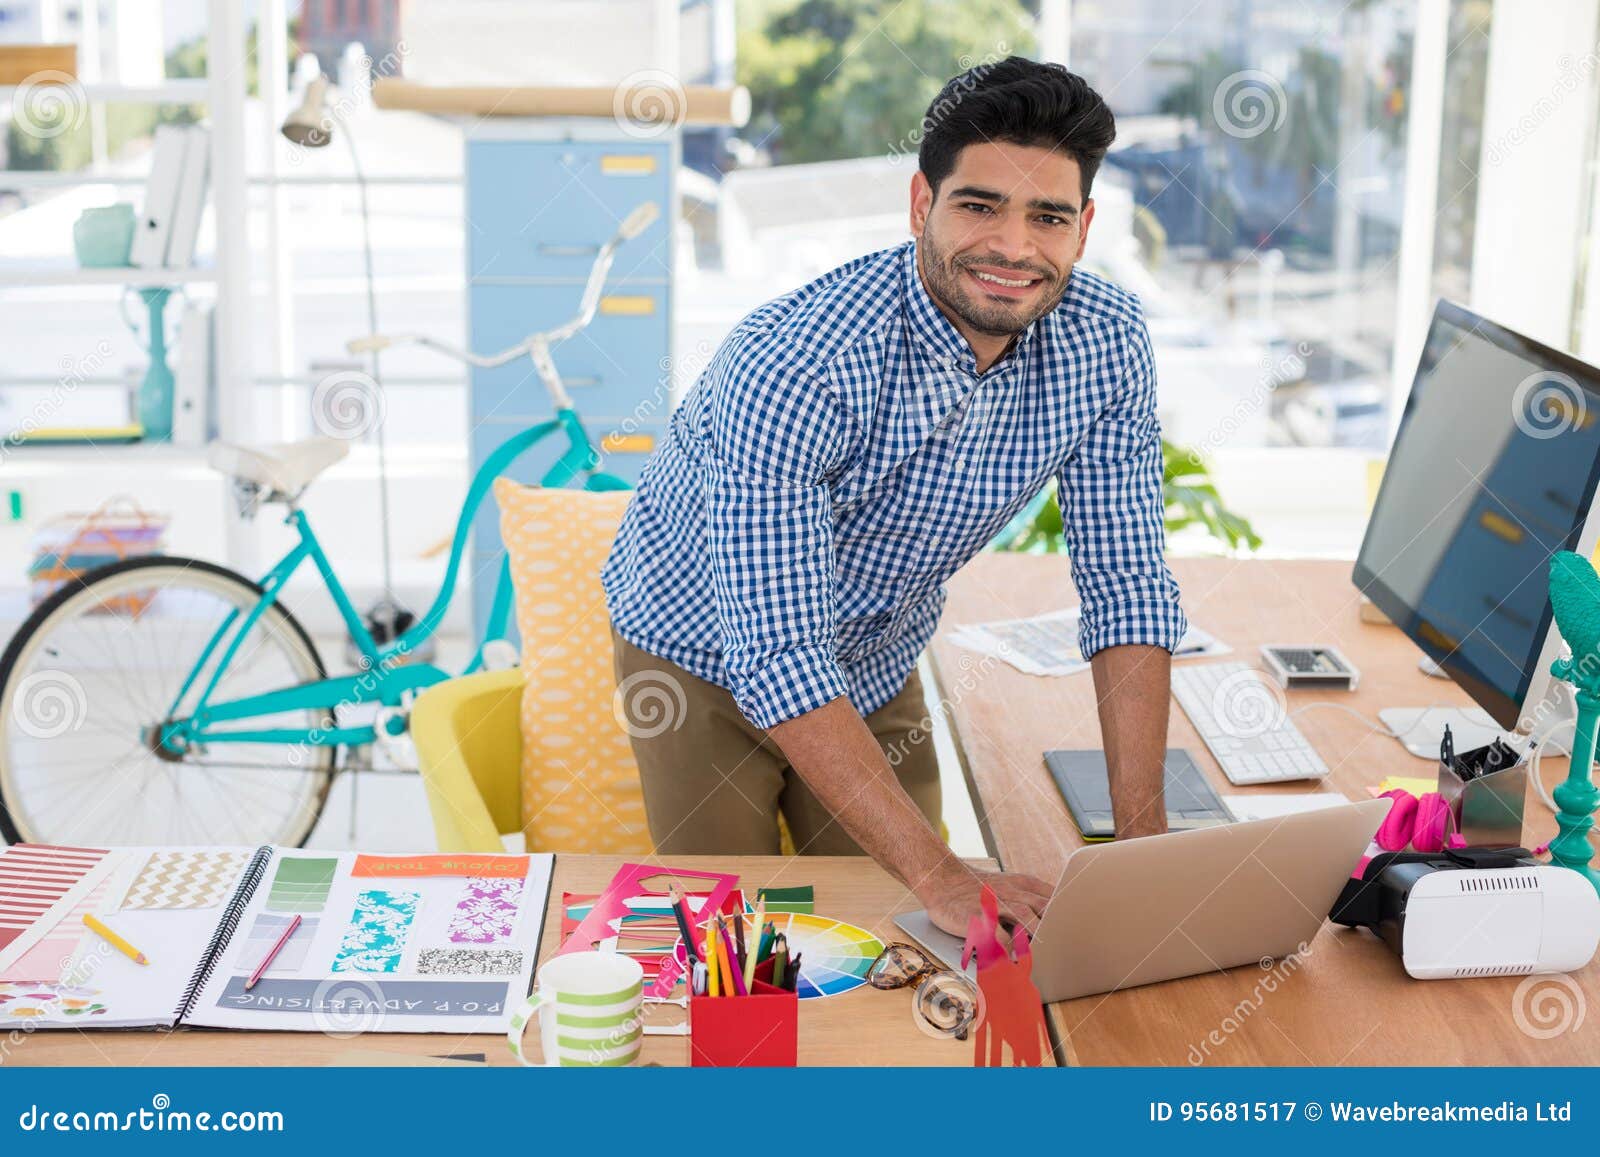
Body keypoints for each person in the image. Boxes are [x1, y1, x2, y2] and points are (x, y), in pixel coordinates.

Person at [602, 57, 1187, 937]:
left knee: (901, 940)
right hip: (702, 655)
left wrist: (1144, 849)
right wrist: (945, 876)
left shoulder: (1106, 341)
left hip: (875, 648)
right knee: (744, 941)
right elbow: (778, 654)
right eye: (979, 205)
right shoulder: (797, 362)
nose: (1015, 248)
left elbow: (1129, 584)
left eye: (1049, 217)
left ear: (1084, 226)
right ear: (923, 204)